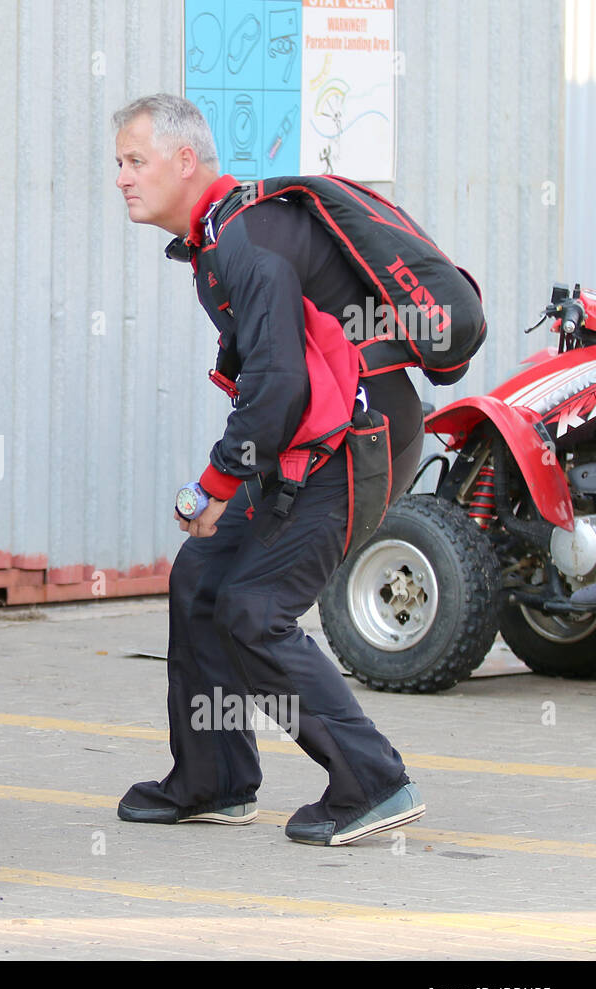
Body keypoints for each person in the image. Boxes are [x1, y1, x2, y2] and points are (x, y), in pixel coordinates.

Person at [111, 93, 427, 846]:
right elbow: (278, 382)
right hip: (309, 442)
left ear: (185, 161)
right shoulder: (221, 237)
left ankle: (372, 780)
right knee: (201, 579)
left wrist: (219, 483)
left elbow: (278, 384)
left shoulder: (244, 239)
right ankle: (212, 779)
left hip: (358, 442)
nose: (120, 177)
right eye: (117, 163)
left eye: (133, 160)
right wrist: (231, 482)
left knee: (256, 609)